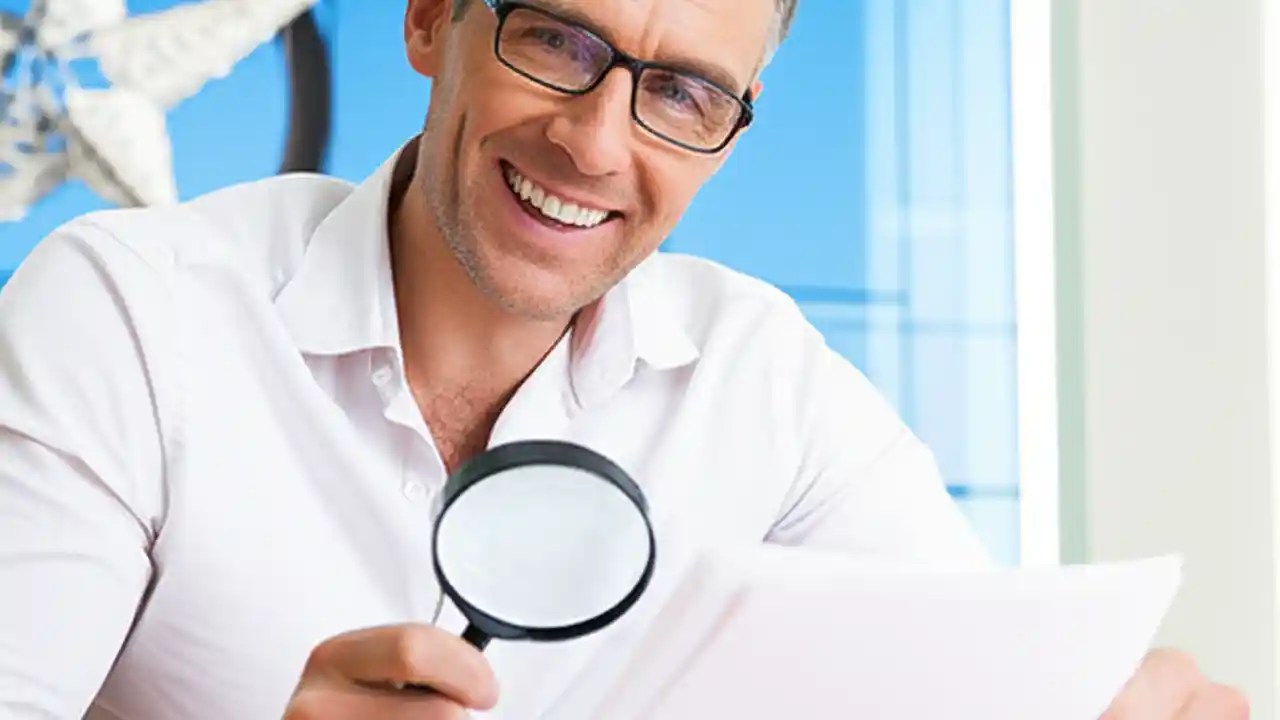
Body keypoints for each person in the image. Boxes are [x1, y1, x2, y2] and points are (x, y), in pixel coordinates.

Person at [0, 0, 1249, 718]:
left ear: (731, 133)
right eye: (556, 40)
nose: (597, 145)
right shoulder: (128, 317)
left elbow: (984, 687)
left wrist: (1123, 701)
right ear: (433, 19)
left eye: (686, 97)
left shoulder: (765, 385)